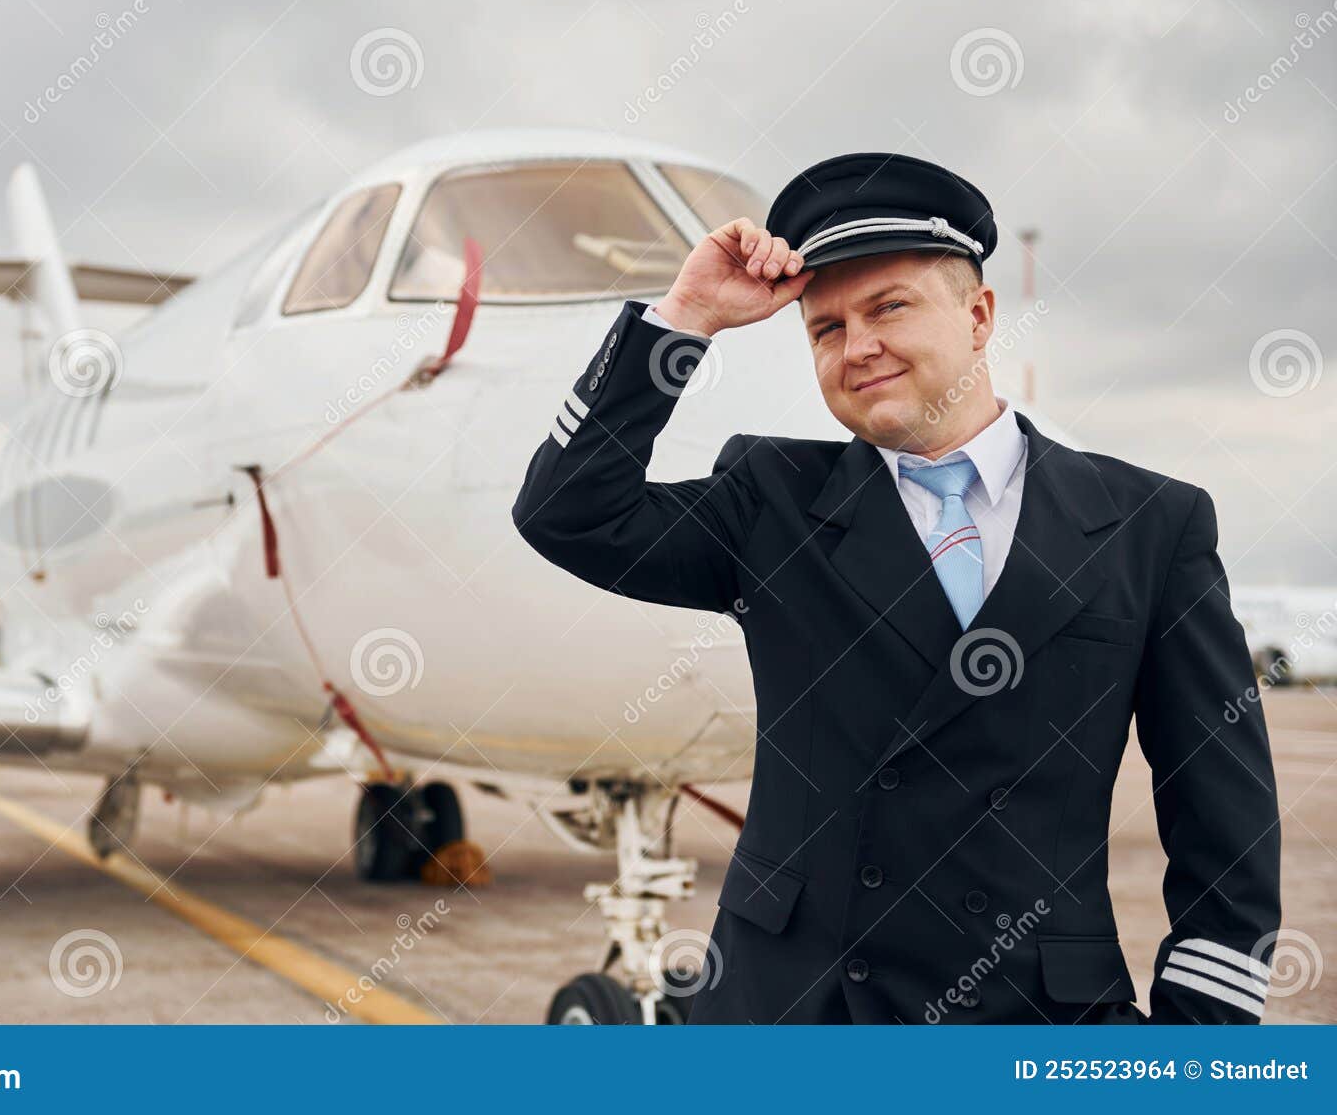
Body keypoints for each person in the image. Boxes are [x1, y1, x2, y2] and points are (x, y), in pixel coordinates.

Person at [511, 152, 1281, 1024]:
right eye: (827, 328)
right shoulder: (771, 498)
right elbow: (567, 512)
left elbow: (1226, 823)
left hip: (1035, 1022)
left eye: (889, 308)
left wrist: (1195, 1061)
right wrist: (682, 320)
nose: (859, 347)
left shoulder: (1150, 525)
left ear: (980, 314)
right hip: (791, 1016)